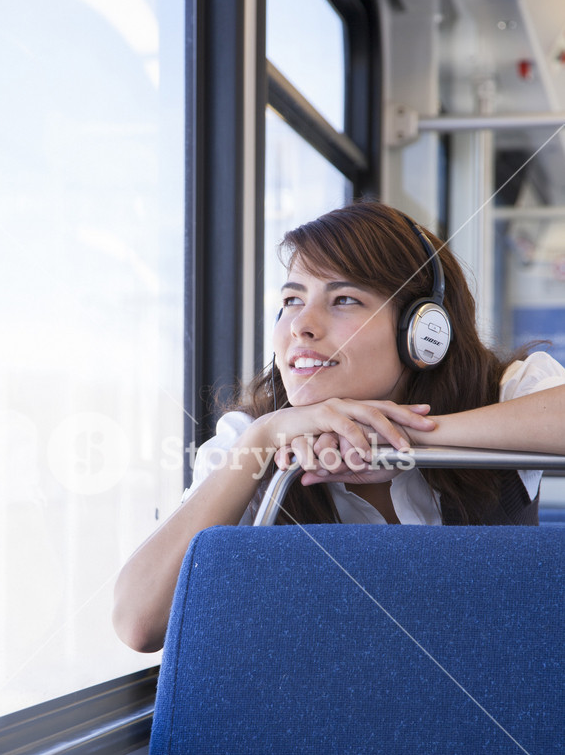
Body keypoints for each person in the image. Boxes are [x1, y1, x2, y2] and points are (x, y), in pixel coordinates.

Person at [114, 200, 565, 652]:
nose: (301, 326)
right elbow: (139, 622)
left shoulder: (504, 393)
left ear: (424, 333)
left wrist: (400, 435)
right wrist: (264, 436)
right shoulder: (252, 437)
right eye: (292, 300)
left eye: (343, 299)